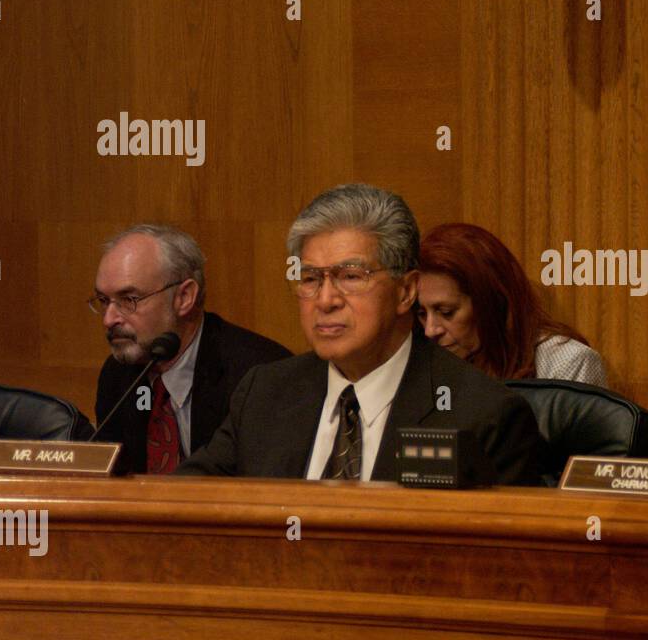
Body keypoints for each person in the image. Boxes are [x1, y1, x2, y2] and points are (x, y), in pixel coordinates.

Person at [177, 185, 546, 485]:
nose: (325, 300)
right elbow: (185, 503)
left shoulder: (484, 415)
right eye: (310, 278)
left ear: (406, 291)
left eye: (351, 277)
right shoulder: (265, 394)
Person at [91, 224, 291, 473]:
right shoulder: (119, 375)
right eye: (104, 301)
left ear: (184, 297)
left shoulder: (258, 376)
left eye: (129, 299)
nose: (109, 319)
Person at [416, 222, 607, 386]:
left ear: (491, 303)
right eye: (422, 314)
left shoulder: (567, 362)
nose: (430, 331)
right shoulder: (428, 366)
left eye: (446, 312)